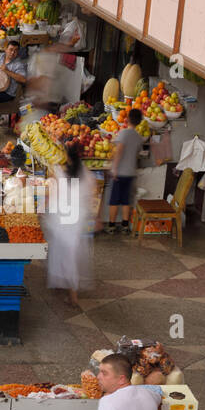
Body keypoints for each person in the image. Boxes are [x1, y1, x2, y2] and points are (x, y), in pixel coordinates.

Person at [45, 141, 94, 307]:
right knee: (69, 254)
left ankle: (72, 295)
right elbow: (92, 196)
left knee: (63, 254)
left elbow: (52, 194)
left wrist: (45, 210)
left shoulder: (59, 172)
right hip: (76, 219)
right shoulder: (87, 174)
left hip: (61, 219)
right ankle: (63, 283)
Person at [106, 108, 144, 234]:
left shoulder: (123, 133)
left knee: (114, 200)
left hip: (120, 172)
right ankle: (125, 226)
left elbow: (119, 152)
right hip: (131, 173)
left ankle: (111, 226)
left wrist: (114, 168)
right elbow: (137, 155)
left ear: (127, 119)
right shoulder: (139, 137)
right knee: (126, 200)